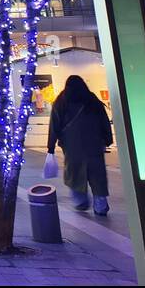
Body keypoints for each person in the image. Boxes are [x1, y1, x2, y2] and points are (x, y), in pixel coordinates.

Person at [45, 75, 112, 217]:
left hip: (72, 146)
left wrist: (50, 147)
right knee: (97, 175)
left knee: (75, 173)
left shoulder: (62, 101)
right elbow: (104, 120)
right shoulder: (91, 99)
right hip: (94, 144)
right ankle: (100, 206)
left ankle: (80, 201)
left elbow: (54, 124)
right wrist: (107, 139)